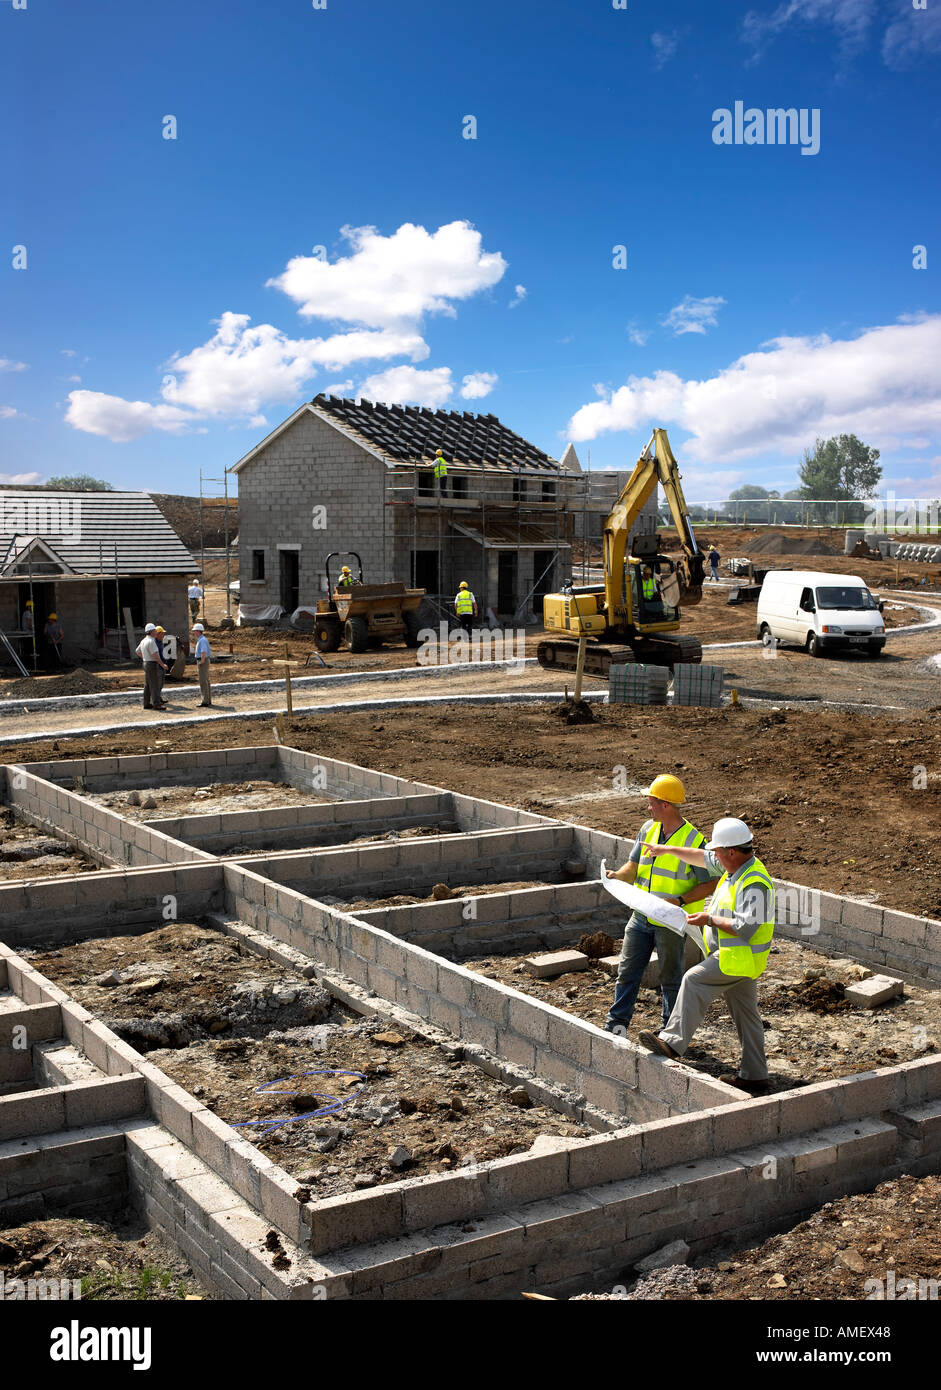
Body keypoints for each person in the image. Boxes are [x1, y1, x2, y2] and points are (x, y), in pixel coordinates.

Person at [637, 816, 776, 1094]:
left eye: (718, 852)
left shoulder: (755, 883)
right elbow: (700, 857)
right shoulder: (735, 866)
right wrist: (665, 850)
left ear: (732, 852)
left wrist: (708, 919)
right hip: (738, 958)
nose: (715, 857)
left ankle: (672, 1043)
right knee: (747, 1015)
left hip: (738, 958)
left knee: (693, 979)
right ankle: (755, 1075)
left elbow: (746, 927)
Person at [603, 775, 719, 1036]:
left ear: (665, 805)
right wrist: (617, 876)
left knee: (670, 979)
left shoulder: (693, 841)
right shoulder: (648, 829)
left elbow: (710, 884)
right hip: (641, 915)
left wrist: (679, 901)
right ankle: (616, 1026)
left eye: (652, 802)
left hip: (670, 921)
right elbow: (633, 867)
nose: (648, 807)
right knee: (627, 972)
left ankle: (670, 1034)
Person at [137, 625, 169, 710]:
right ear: (151, 632)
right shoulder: (151, 641)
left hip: (146, 663)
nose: (156, 632)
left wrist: (145, 658)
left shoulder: (144, 640)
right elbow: (155, 656)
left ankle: (146, 703)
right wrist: (162, 665)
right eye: (155, 631)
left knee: (148, 684)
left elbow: (137, 651)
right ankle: (157, 704)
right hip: (152, 664)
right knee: (155, 685)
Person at [191, 622, 212, 707]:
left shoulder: (202, 640)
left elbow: (203, 651)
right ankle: (207, 699)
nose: (194, 632)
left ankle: (205, 701)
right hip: (204, 660)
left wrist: (202, 661)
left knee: (203, 681)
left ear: (198, 631)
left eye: (195, 631)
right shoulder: (202, 639)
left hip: (203, 660)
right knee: (206, 680)